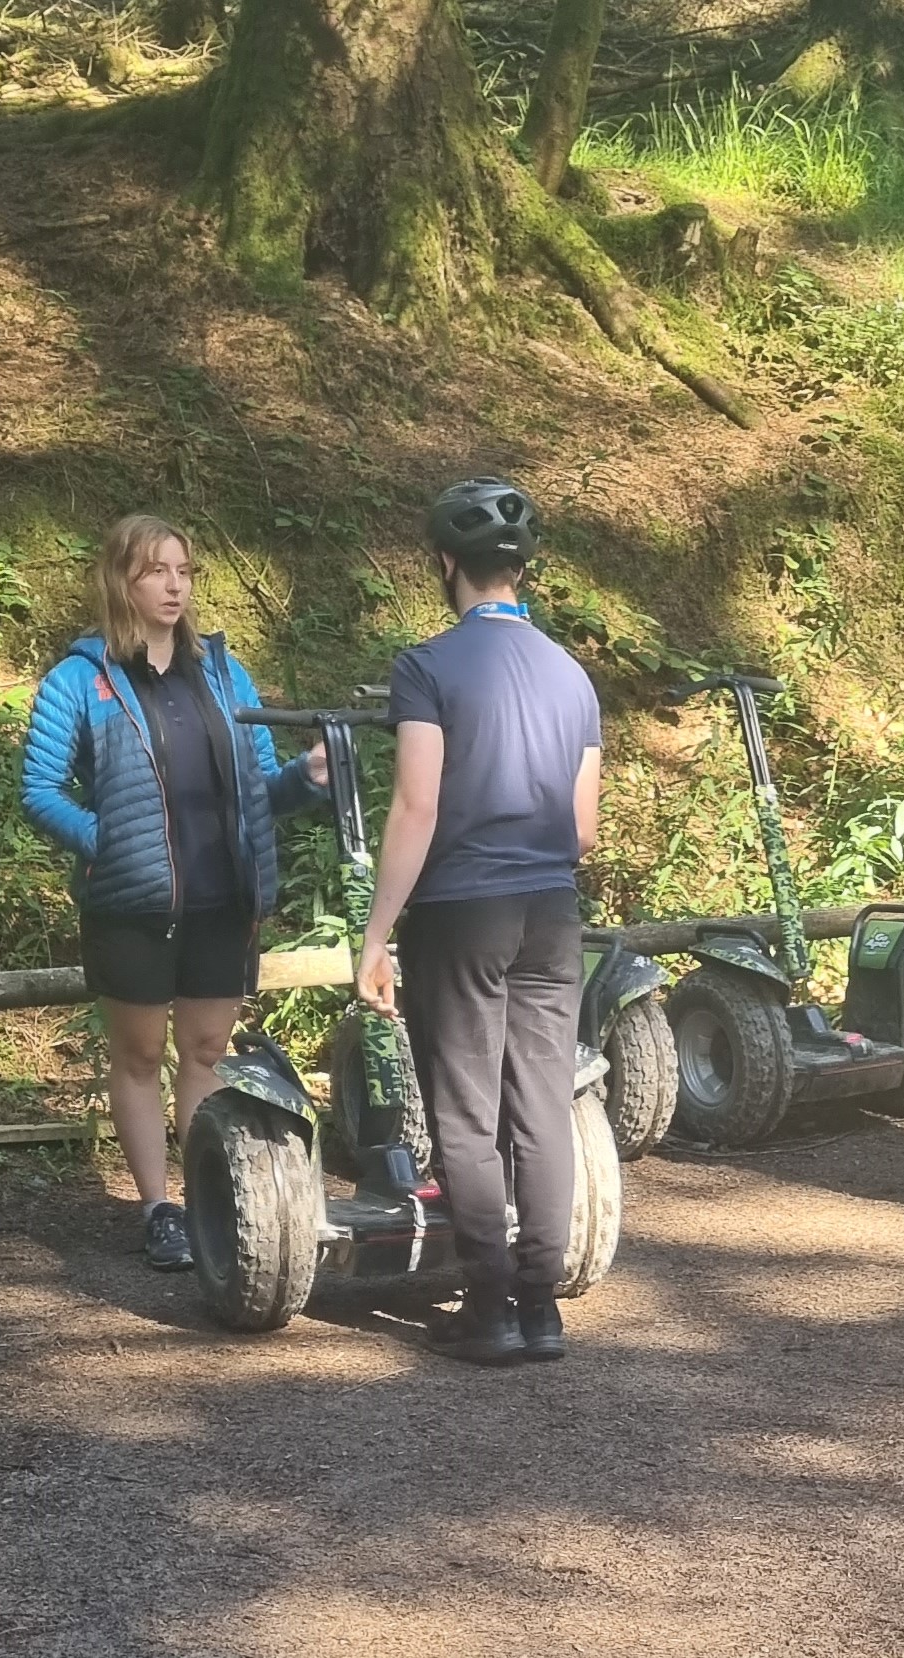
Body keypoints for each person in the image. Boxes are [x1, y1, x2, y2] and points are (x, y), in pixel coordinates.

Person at [21, 514, 326, 1269]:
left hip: (224, 896)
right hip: (132, 904)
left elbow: (258, 783)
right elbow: (39, 789)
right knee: (138, 1053)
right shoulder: (79, 679)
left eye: (184, 572)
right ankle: (157, 1208)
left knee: (205, 1050)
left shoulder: (224, 672)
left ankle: (206, 1200)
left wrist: (306, 779)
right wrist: (105, 841)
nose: (174, 586)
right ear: (122, 579)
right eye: (158, 571)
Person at [356, 478, 601, 1368]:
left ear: (447, 564)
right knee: (540, 1102)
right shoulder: (573, 676)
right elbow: (583, 830)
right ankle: (543, 1308)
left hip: (461, 907)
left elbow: (415, 806)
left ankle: (488, 1305)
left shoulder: (427, 666)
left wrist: (378, 934)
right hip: (551, 910)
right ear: (523, 568)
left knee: (463, 1110)